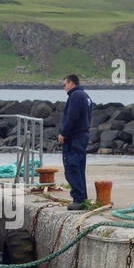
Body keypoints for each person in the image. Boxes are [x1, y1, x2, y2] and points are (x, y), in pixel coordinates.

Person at [58, 73, 92, 210]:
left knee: (72, 168)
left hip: (74, 138)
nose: (64, 87)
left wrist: (63, 134)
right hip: (82, 136)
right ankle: (82, 197)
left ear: (71, 83)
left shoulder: (76, 96)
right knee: (79, 168)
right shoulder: (85, 96)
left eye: (64, 84)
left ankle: (78, 198)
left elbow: (72, 117)